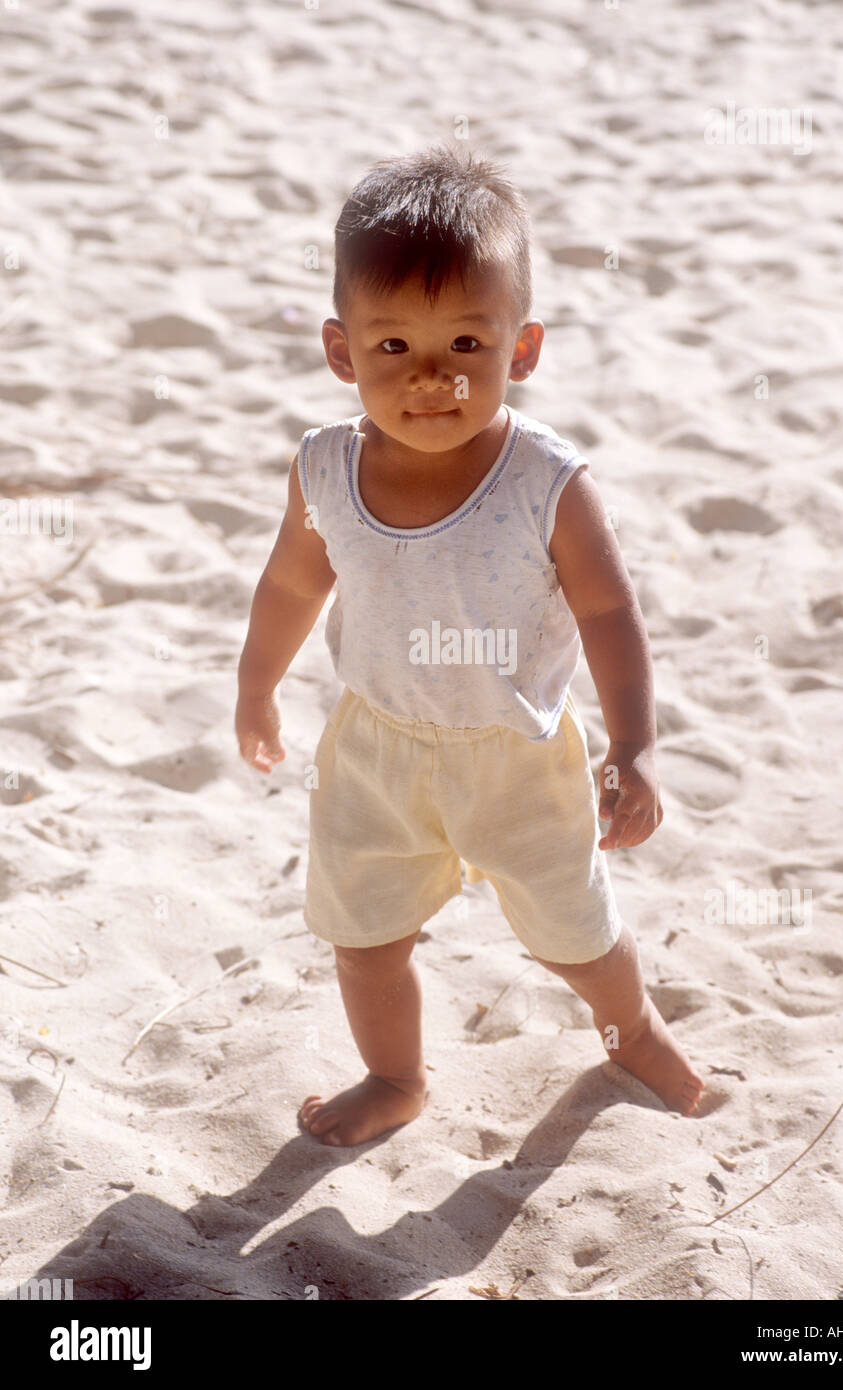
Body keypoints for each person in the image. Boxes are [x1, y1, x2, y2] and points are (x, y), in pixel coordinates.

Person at [236, 145, 704, 1145]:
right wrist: (256, 686)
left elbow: (609, 614)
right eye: (392, 348)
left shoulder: (547, 484)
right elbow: (290, 579)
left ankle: (634, 1027)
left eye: (464, 345)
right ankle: (394, 1076)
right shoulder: (323, 469)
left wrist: (634, 745)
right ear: (338, 349)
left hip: (515, 757)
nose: (431, 378)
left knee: (575, 936)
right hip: (373, 754)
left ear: (521, 350)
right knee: (365, 940)